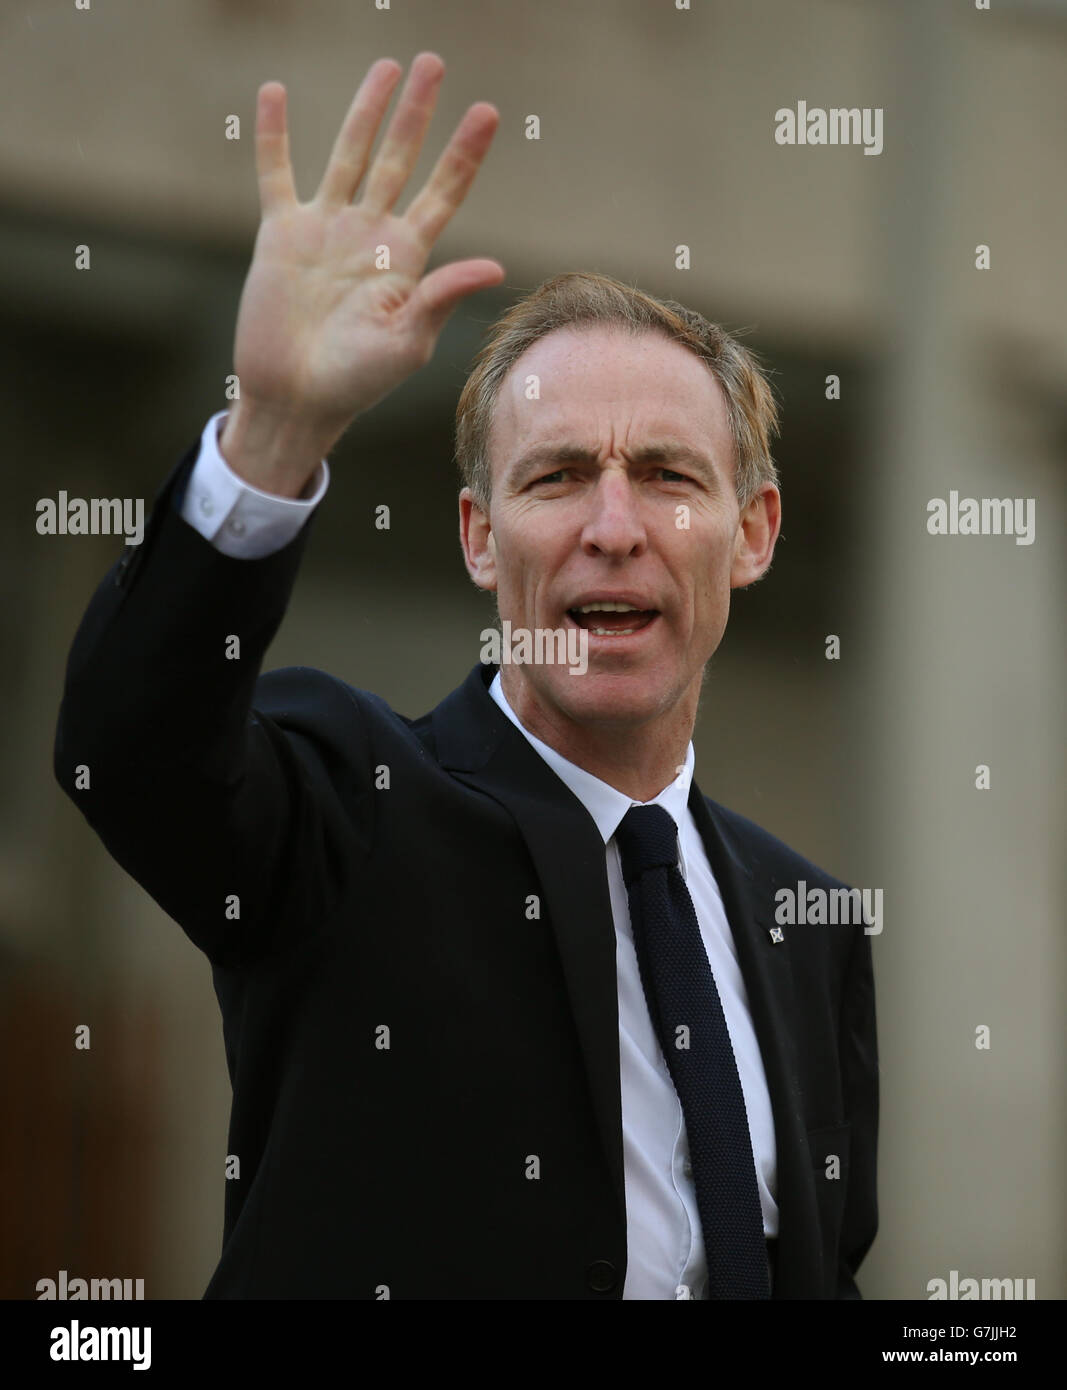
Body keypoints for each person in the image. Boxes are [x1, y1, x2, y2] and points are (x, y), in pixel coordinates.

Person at [53, 52, 877, 1300]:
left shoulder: (802, 923)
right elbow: (129, 752)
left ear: (751, 532)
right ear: (478, 537)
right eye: (553, 478)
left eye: (665, 474)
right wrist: (272, 432)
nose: (613, 525)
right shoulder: (348, 806)